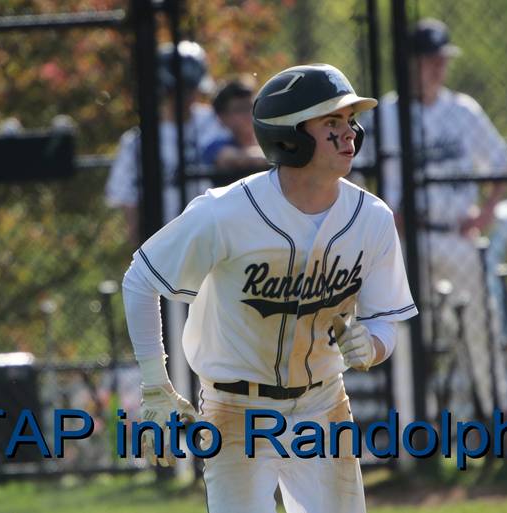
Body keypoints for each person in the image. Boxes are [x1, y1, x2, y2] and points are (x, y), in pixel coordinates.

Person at [122, 63, 417, 513]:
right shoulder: (226, 213)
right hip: (235, 411)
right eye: (331, 123)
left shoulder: (372, 218)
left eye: (349, 121)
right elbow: (141, 279)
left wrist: (373, 346)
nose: (350, 134)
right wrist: (155, 385)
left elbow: (387, 320)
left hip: (324, 403)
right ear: (289, 136)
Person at [356, 18, 507, 420]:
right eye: (430, 60)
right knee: (404, 333)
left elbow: (500, 163)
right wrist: (382, 216)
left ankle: (500, 419)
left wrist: (487, 213)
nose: (438, 67)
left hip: (456, 236)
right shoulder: (385, 114)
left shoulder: (462, 110)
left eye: (442, 59)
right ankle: (413, 433)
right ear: (410, 63)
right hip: (406, 240)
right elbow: (355, 174)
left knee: (482, 328)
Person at [104, 40, 230, 243]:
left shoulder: (216, 123)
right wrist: (140, 244)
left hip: (218, 234)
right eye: (179, 90)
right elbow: (127, 199)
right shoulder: (138, 141)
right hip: (166, 238)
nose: (188, 96)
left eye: (191, 88)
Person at [201, 77, 268, 175]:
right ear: (222, 117)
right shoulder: (215, 146)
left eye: (251, 106)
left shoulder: (270, 139)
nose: (249, 113)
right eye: (240, 109)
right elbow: (230, 158)